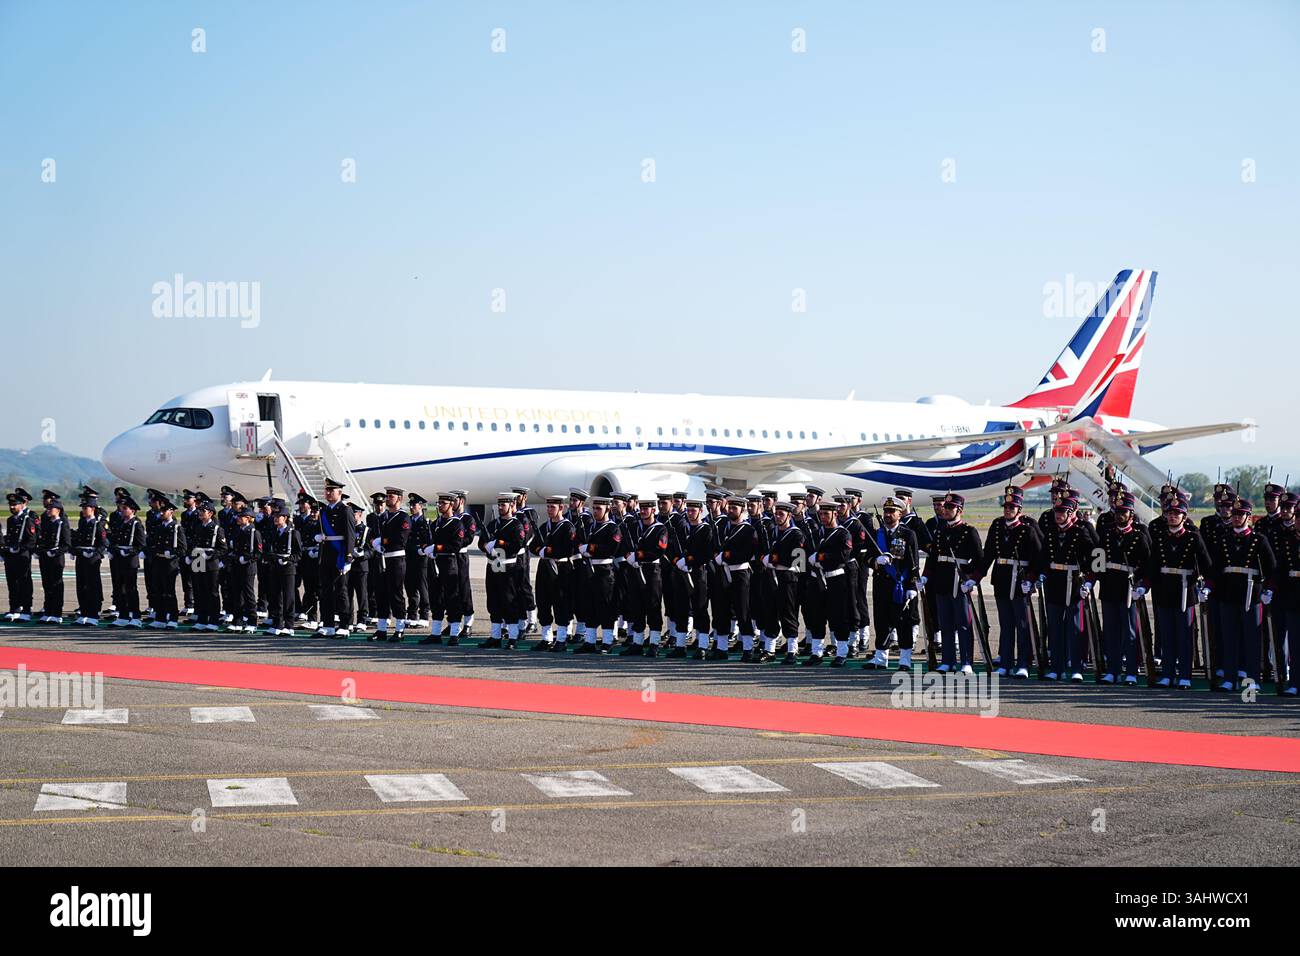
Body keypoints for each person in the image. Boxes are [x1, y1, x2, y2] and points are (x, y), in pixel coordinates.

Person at [1209, 498, 1276, 693]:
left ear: (1248, 517)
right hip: (1228, 592)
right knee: (1229, 638)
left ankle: (1253, 678)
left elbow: (1272, 569)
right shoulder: (1224, 538)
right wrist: (1209, 586)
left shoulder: (1259, 540)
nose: (1237, 518)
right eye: (1235, 515)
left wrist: (1268, 589)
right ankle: (1230, 678)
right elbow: (1216, 568)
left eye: (1241, 515)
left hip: (1250, 594)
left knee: (1251, 638)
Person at [1146, 497, 1212, 688]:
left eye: (1177, 514)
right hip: (1165, 590)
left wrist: (1207, 586)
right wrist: (1145, 585)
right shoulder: (1160, 538)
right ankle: (1167, 674)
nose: (1173, 517)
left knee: (1185, 636)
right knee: (1166, 635)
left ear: (1184, 516)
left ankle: (1185, 675)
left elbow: (1207, 565)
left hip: (1185, 591)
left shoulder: (1193, 538)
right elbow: (1153, 566)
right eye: (1170, 514)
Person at [978, 488, 1043, 679]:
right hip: (1001, 579)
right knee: (1006, 625)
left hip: (1020, 580)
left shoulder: (1027, 529)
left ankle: (1023, 663)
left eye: (1012, 507)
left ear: (1019, 509)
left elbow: (1039, 557)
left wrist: (1031, 579)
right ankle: (1005, 663)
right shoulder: (997, 526)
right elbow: (988, 553)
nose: (1008, 510)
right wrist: (976, 576)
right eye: (1006, 507)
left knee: (1022, 624)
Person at [923, 493, 986, 674]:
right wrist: (926, 576)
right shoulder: (940, 530)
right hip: (942, 581)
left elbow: (980, 560)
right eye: (946, 507)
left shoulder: (969, 531)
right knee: (945, 624)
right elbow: (933, 558)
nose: (946, 511)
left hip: (959, 582)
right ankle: (948, 661)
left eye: (950, 508)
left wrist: (971, 578)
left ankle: (966, 661)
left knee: (963, 624)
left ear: (960, 510)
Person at [1095, 493, 1151, 684]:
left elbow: (1148, 565)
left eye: (1124, 512)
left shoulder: (1139, 537)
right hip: (1109, 586)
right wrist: (1091, 581)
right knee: (1110, 631)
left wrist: (1142, 586)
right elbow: (1098, 562)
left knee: (1129, 632)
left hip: (1128, 588)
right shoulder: (1106, 534)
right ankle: (1113, 670)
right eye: (1118, 511)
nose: (1120, 515)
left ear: (1131, 514)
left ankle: (1131, 672)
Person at [865, 496, 922, 672]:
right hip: (881, 584)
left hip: (901, 585)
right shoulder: (877, 534)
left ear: (900, 513)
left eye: (892, 511)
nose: (888, 514)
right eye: (886, 511)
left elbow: (914, 563)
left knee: (903, 622)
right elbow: (865, 557)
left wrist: (912, 586)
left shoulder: (908, 534)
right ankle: (881, 657)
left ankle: (905, 659)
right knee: (881, 620)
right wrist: (876, 560)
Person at [803, 501, 855, 667]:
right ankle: (816, 653)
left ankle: (841, 653)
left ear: (835, 514)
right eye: (821, 514)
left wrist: (820, 557)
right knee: (816, 616)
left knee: (838, 617)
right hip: (817, 578)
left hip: (835, 579)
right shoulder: (817, 533)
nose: (823, 517)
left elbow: (843, 557)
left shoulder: (843, 534)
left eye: (826, 514)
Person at [526, 495, 577, 651]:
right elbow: (533, 545)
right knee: (543, 602)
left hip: (561, 569)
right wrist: (541, 551)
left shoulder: (568, 527)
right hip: (545, 568)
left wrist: (550, 551)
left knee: (561, 603)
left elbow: (568, 549)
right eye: (548, 507)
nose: (549, 510)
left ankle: (561, 639)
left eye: (552, 507)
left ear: (561, 508)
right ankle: (546, 638)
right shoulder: (544, 526)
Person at [478, 492, 528, 649]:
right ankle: (495, 636)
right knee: (493, 601)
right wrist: (487, 547)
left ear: (512, 505)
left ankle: (513, 637)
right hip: (493, 565)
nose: (500, 508)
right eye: (499, 505)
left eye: (503, 505)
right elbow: (481, 542)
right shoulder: (493, 524)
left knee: (509, 601)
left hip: (508, 566)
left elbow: (517, 545)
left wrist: (499, 544)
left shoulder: (516, 525)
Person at [621, 498, 669, 657]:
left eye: (646, 509)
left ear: (653, 511)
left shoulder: (661, 529)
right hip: (635, 569)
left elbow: (659, 550)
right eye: (641, 509)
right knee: (636, 606)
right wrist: (629, 556)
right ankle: (637, 642)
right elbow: (624, 546)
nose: (642, 512)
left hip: (652, 570)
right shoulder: (633, 527)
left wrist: (638, 556)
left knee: (653, 606)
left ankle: (654, 643)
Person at [761, 501, 806, 664]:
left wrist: (775, 559)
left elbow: (799, 560)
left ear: (789, 515)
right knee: (770, 613)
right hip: (772, 576)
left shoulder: (796, 534)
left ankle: (792, 650)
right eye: (776, 514)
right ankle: (769, 649)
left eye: (781, 514)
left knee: (788, 613)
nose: (778, 517)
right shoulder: (772, 532)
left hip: (788, 578)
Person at [575, 496, 621, 653]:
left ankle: (608, 641)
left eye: (599, 509)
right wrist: (582, 547)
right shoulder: (590, 526)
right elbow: (579, 541)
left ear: (607, 509)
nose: (595, 512)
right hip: (589, 570)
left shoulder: (613, 528)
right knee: (589, 605)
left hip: (604, 571)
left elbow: (611, 548)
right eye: (594, 508)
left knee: (606, 606)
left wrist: (590, 549)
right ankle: (590, 641)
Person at [420, 493, 467, 645]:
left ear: (451, 505)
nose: (440, 506)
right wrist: (425, 548)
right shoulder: (435, 524)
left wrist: (437, 548)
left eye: (443, 503)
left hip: (449, 563)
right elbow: (426, 541)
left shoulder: (456, 524)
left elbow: (456, 545)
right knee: (436, 598)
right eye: (439, 503)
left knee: (452, 598)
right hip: (435, 564)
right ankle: (435, 633)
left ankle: (454, 633)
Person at [670, 499, 713, 659]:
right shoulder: (684, 529)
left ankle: (702, 645)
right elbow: (673, 548)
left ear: (700, 511)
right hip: (681, 572)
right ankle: (680, 645)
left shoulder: (705, 530)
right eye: (688, 511)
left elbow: (706, 554)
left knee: (700, 609)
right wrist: (677, 560)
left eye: (693, 511)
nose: (690, 513)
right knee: (680, 608)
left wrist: (688, 560)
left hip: (698, 573)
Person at [317, 478, 356, 638]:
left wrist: (348, 558)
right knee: (325, 591)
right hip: (326, 553)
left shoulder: (345, 510)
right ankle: (328, 624)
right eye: (327, 490)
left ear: (339, 493)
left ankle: (344, 625)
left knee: (341, 591)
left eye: (331, 491)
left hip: (339, 553)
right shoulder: (324, 511)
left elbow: (350, 535)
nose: (328, 493)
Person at [372, 486, 410, 642]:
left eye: (391, 496)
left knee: (396, 594)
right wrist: (377, 543)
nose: (388, 499)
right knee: (381, 593)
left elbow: (401, 538)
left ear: (399, 498)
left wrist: (383, 541)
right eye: (387, 496)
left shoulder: (403, 517)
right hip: (384, 558)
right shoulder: (385, 516)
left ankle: (400, 629)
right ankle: (381, 629)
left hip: (396, 559)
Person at [144, 498, 186, 628]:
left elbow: (183, 548)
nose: (161, 513)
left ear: (171, 512)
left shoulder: (177, 528)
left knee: (169, 592)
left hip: (170, 564)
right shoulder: (159, 527)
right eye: (161, 511)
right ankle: (160, 618)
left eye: (164, 511)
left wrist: (173, 553)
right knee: (158, 591)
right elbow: (151, 543)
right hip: (158, 562)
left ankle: (173, 618)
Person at [262, 502, 302, 636]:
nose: (275, 518)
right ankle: (277, 623)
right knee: (275, 596)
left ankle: (289, 625)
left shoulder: (293, 533)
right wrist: (272, 558)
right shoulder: (273, 533)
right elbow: (267, 550)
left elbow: (298, 554)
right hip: (275, 567)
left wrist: (287, 560)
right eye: (274, 515)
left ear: (285, 517)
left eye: (278, 516)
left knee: (288, 597)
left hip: (288, 569)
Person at [186, 499, 226, 631]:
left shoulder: (216, 529)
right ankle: (202, 619)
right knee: (199, 591)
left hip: (210, 562)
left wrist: (211, 555)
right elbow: (194, 544)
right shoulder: (198, 527)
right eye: (199, 510)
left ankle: (213, 620)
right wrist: (190, 556)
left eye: (203, 511)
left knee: (212, 592)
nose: (200, 513)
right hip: (198, 560)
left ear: (210, 513)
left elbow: (223, 549)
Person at [70, 490, 109, 626]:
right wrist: (74, 550)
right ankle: (84, 612)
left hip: (92, 558)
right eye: (83, 507)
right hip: (82, 556)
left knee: (92, 586)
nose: (83, 510)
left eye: (85, 508)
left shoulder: (97, 525)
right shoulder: (83, 523)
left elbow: (103, 543)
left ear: (92, 509)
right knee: (81, 585)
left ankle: (93, 613)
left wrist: (95, 554)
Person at [108, 496, 145, 627]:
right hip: (119, 558)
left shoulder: (136, 524)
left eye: (125, 508)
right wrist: (112, 550)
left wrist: (129, 552)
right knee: (120, 588)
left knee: (131, 588)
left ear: (133, 510)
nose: (122, 510)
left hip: (130, 560)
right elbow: (114, 539)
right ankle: (123, 615)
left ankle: (135, 616)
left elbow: (141, 544)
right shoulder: (121, 523)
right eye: (122, 508)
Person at [36, 493, 72, 623]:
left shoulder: (62, 524)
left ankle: (56, 613)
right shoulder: (47, 523)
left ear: (58, 510)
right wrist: (40, 551)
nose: (48, 510)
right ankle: (48, 611)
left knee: (56, 585)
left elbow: (66, 544)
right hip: (45, 557)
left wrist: (55, 552)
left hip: (56, 558)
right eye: (48, 508)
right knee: (47, 584)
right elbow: (41, 540)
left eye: (51, 508)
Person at [226, 508, 261, 632]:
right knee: (236, 594)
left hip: (248, 567)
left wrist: (246, 559)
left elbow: (258, 553)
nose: (238, 519)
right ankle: (238, 621)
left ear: (248, 518)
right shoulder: (237, 531)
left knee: (248, 595)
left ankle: (252, 622)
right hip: (236, 565)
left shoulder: (253, 532)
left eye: (241, 517)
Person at [345, 502, 371, 633]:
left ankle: (362, 620)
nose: (351, 515)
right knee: (348, 595)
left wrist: (363, 554)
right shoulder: (347, 529)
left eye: (353, 513)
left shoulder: (366, 530)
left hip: (361, 567)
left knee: (362, 595)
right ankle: (349, 621)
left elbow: (371, 550)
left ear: (359, 514)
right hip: (348, 566)